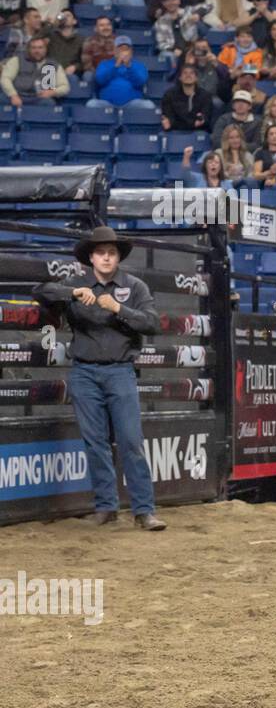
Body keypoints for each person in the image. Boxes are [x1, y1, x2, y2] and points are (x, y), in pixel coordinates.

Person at [31, 227, 166, 531]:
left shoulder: (134, 287)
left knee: (131, 440)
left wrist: (118, 308)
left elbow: (153, 323)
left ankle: (144, 510)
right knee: (95, 443)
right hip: (84, 372)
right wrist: (72, 293)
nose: (106, 257)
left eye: (111, 252)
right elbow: (40, 291)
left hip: (120, 371)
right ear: (91, 257)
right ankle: (106, 506)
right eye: (101, 252)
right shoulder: (77, 284)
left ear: (118, 257)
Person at [87, 36, 152, 109]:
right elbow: (100, 80)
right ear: (114, 50)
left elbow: (141, 81)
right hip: (107, 104)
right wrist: (116, 66)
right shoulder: (104, 64)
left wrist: (129, 67)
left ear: (131, 51)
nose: (123, 52)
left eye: (126, 49)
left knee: (148, 105)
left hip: (132, 104)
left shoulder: (139, 65)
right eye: (120, 49)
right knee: (91, 104)